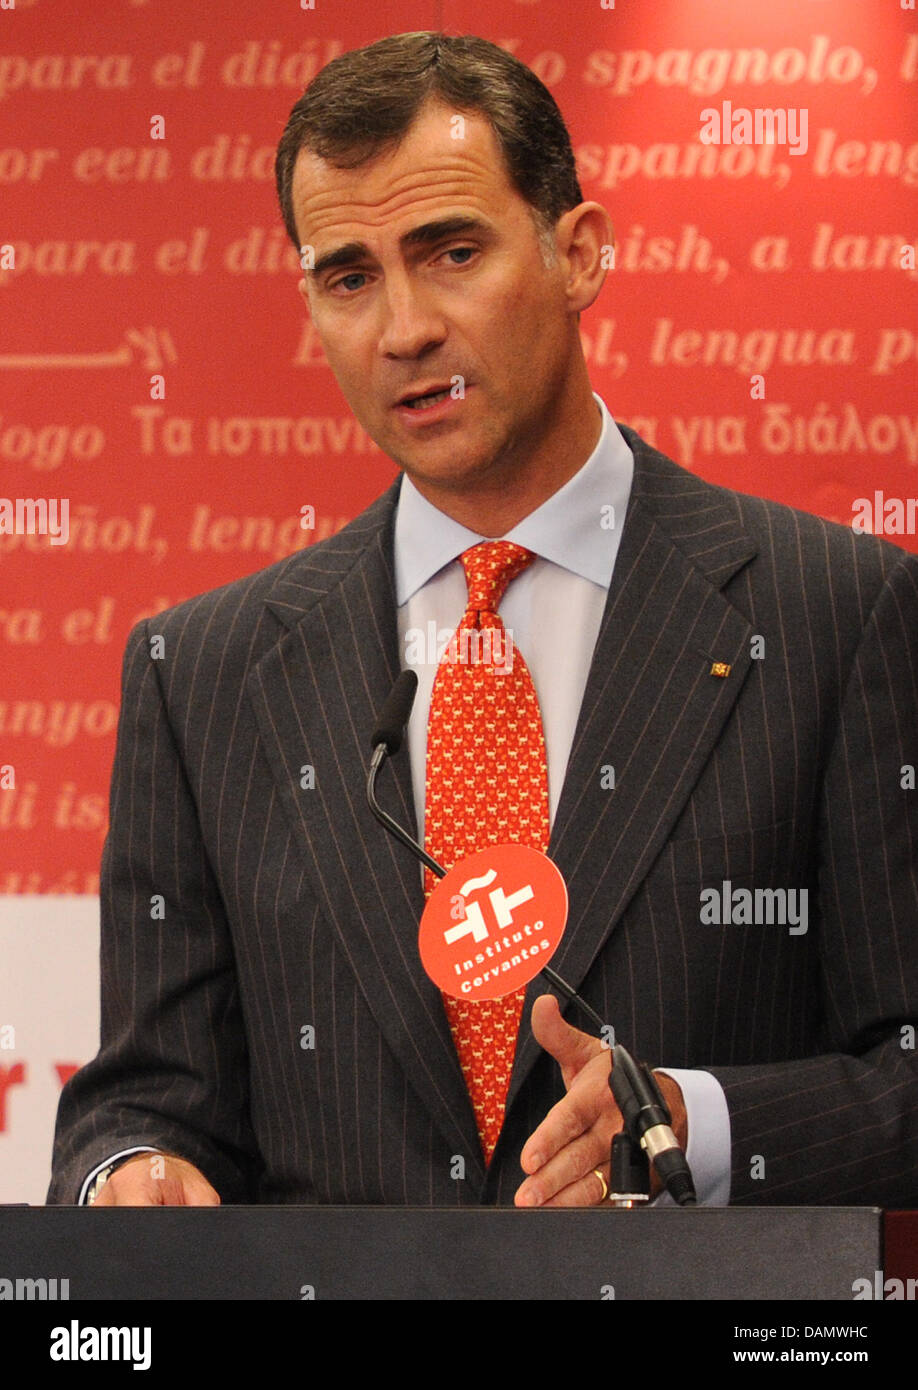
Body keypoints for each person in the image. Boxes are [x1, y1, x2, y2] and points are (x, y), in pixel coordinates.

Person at [47, 32, 918, 1211]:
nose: (402, 328)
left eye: (451, 252)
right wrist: (131, 1171)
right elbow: (146, 1094)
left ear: (579, 254)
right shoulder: (202, 675)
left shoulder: (836, 614)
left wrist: (690, 1122)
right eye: (348, 276)